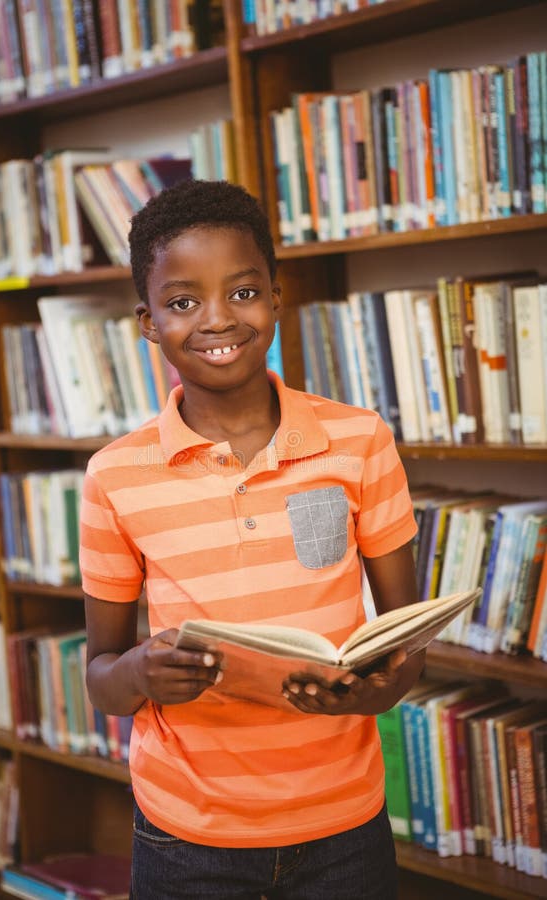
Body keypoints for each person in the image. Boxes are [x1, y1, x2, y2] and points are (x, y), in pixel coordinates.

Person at [80, 179, 424, 900]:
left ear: (276, 295)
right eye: (183, 302)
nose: (217, 320)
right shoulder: (114, 476)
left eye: (242, 292)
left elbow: (405, 649)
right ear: (148, 321)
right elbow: (103, 679)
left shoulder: (359, 441)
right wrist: (143, 671)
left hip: (344, 830)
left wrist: (366, 694)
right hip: (185, 839)